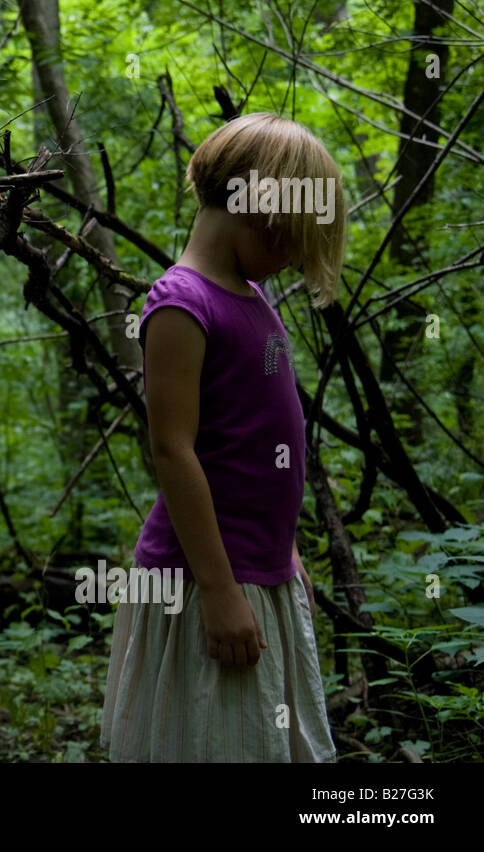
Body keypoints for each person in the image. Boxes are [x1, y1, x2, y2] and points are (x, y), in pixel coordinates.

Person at [99, 112, 348, 762]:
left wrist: (285, 550)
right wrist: (217, 590)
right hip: (203, 579)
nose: (295, 255)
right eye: (291, 237)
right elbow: (173, 450)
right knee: (214, 741)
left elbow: (259, 440)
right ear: (254, 205)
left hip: (258, 570)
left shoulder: (253, 296)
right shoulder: (183, 305)